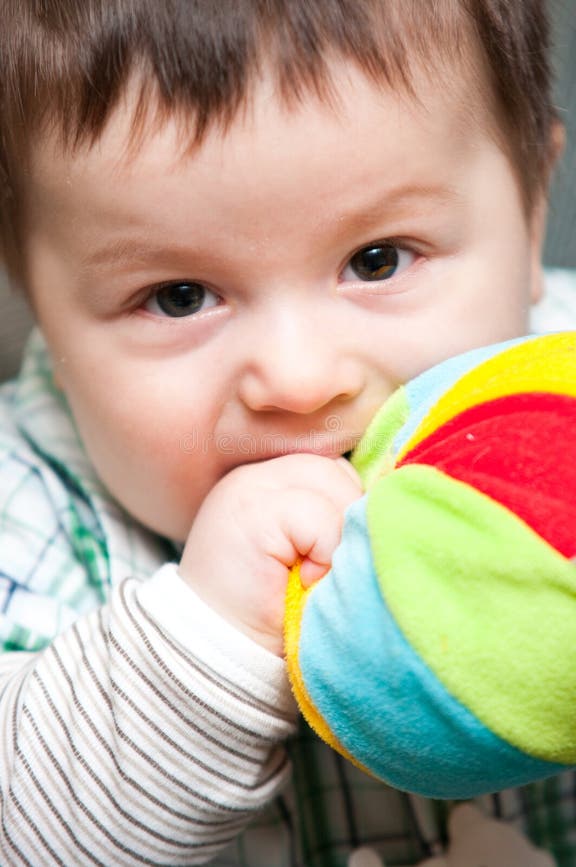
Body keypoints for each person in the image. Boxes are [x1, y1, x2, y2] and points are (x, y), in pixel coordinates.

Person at [0, 0, 571, 864]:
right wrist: (213, 637)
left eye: (378, 259)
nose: (301, 380)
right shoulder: (30, 512)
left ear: (531, 210)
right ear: (33, 291)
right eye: (179, 295)